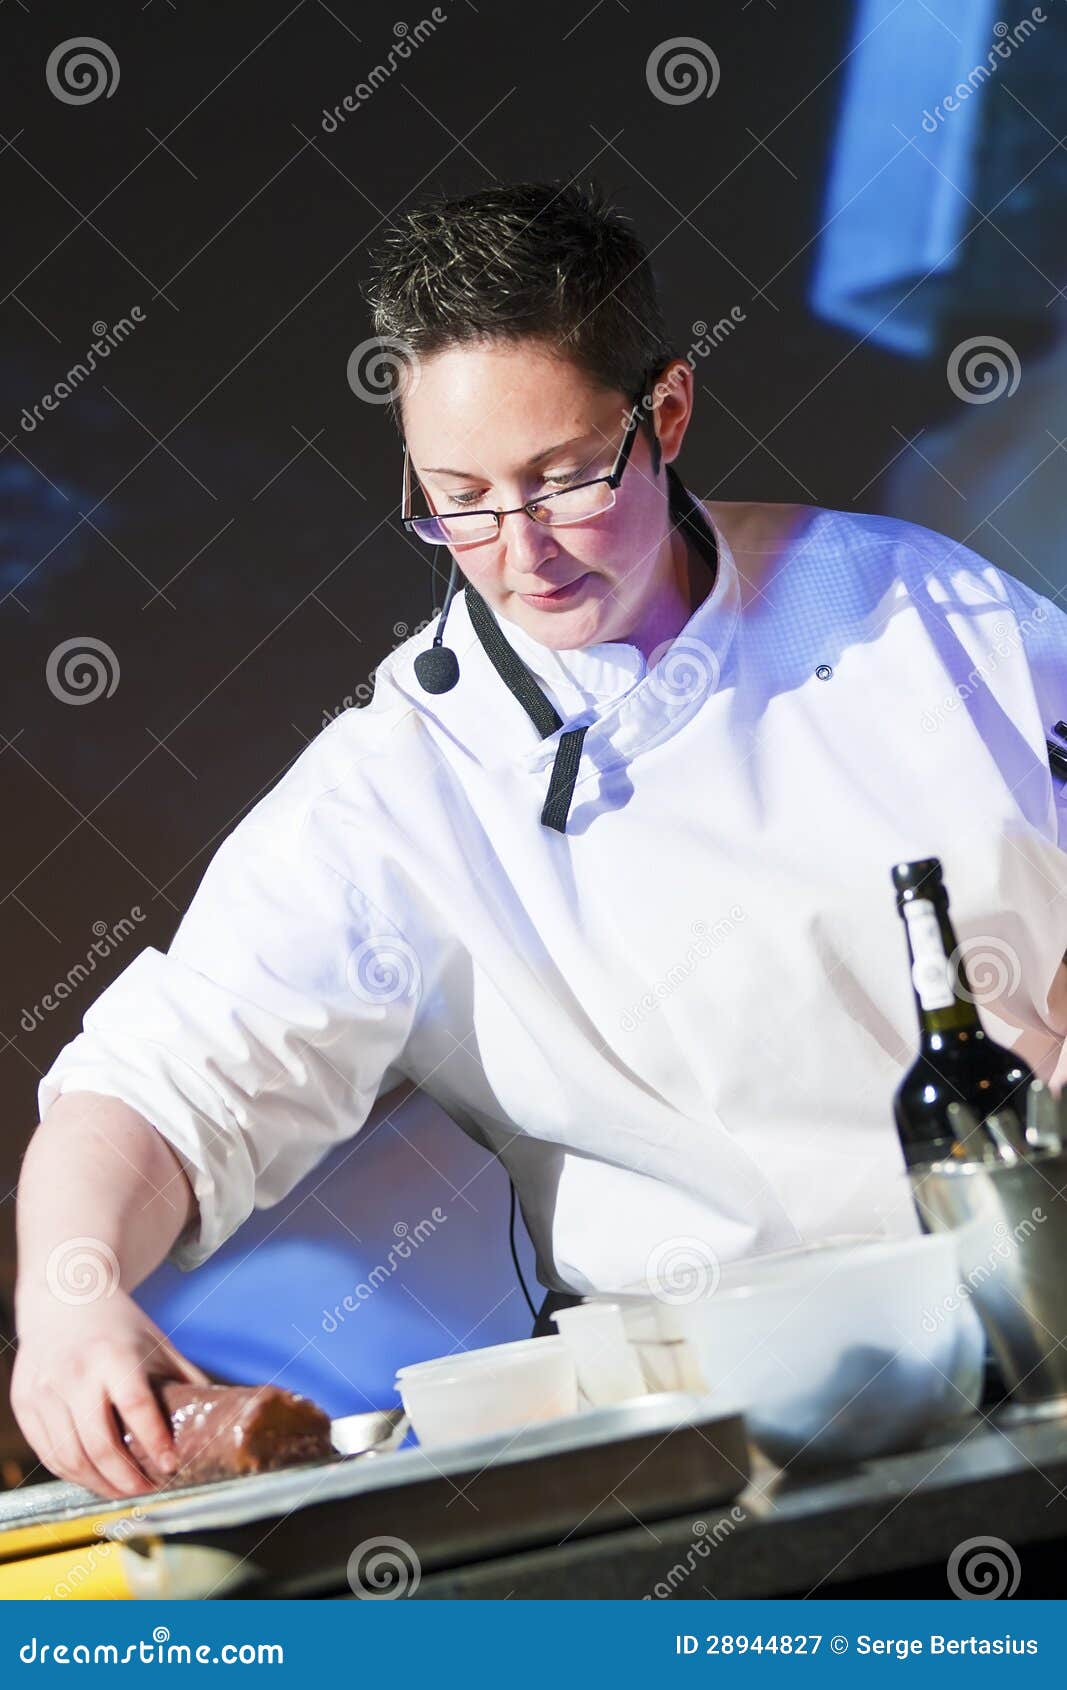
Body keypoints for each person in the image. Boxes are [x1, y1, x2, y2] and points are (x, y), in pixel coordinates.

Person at [13, 179, 1067, 1501]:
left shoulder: (916, 610)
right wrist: (70, 1298)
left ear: (667, 413)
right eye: (459, 498)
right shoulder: (399, 790)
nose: (519, 553)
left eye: (564, 481)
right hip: (721, 1443)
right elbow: (157, 1093)